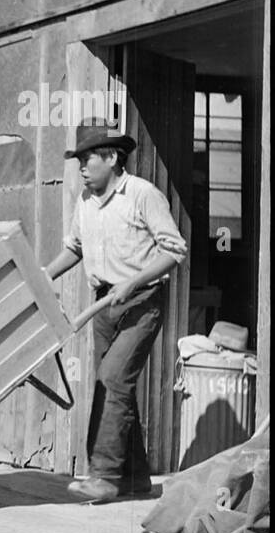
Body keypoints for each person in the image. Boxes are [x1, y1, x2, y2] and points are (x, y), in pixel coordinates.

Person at [45, 121, 186, 502]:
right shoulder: (85, 202)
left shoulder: (143, 195)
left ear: (111, 158)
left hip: (141, 302)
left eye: (87, 160)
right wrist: (44, 276)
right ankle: (136, 480)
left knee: (113, 380)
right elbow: (74, 248)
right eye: (79, 163)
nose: (82, 169)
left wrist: (134, 280)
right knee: (114, 387)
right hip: (103, 304)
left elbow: (174, 250)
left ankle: (104, 476)